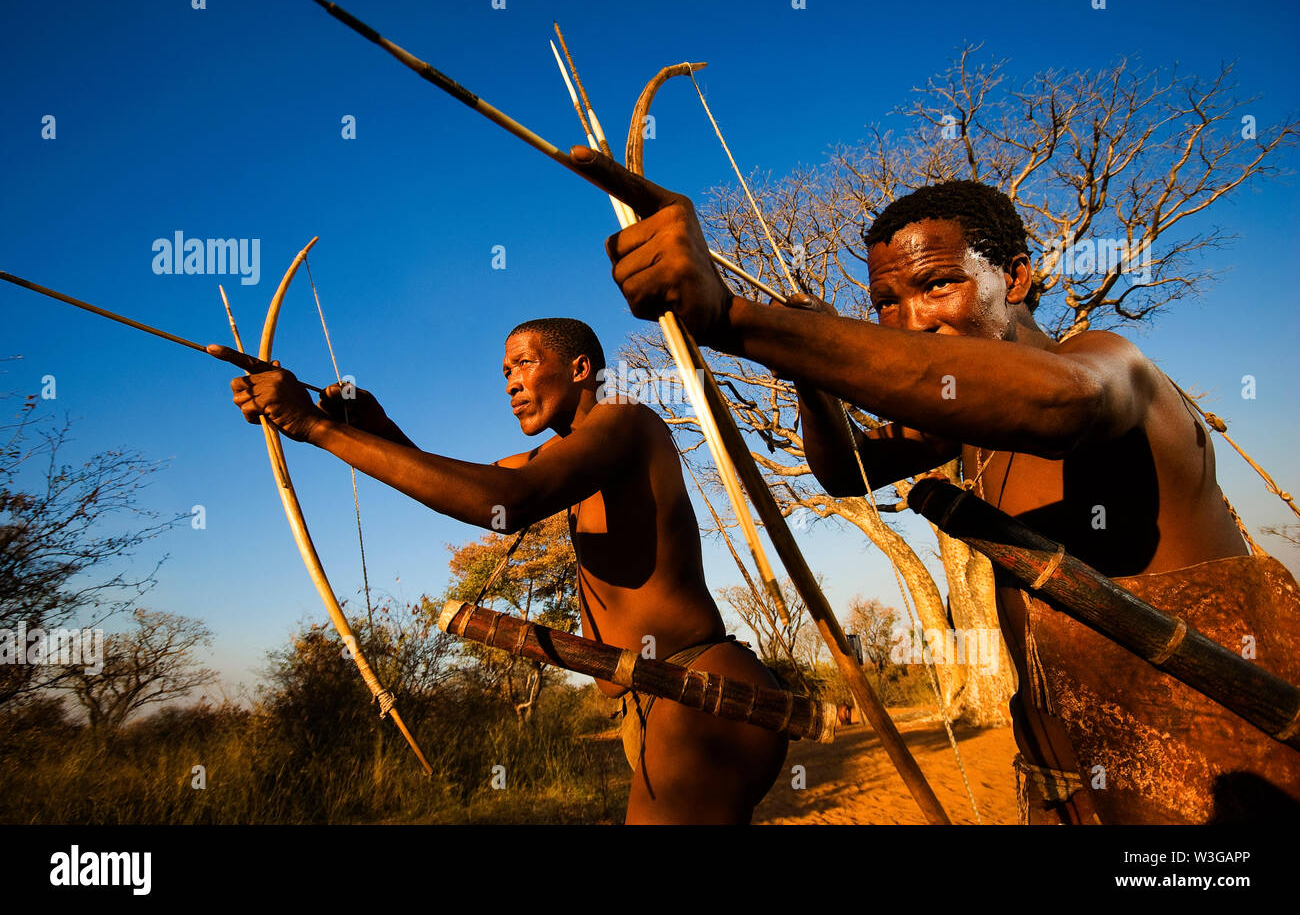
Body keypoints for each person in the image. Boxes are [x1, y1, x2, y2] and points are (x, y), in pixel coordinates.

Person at [576, 145, 1300, 824]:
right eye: (887, 302)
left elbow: (1064, 403)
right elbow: (843, 471)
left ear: (1014, 278)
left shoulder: (1109, 366)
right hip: (1063, 782)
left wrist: (735, 318)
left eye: (938, 284)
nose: (911, 322)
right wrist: (809, 371)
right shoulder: (962, 429)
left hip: (1217, 779)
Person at [210, 317, 786, 823]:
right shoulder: (569, 453)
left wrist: (318, 429)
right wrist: (368, 428)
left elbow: (503, 500)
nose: (509, 383)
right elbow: (467, 485)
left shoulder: (624, 420)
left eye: (523, 364)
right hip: (653, 700)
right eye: (503, 372)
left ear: (581, 368)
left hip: (697, 693)